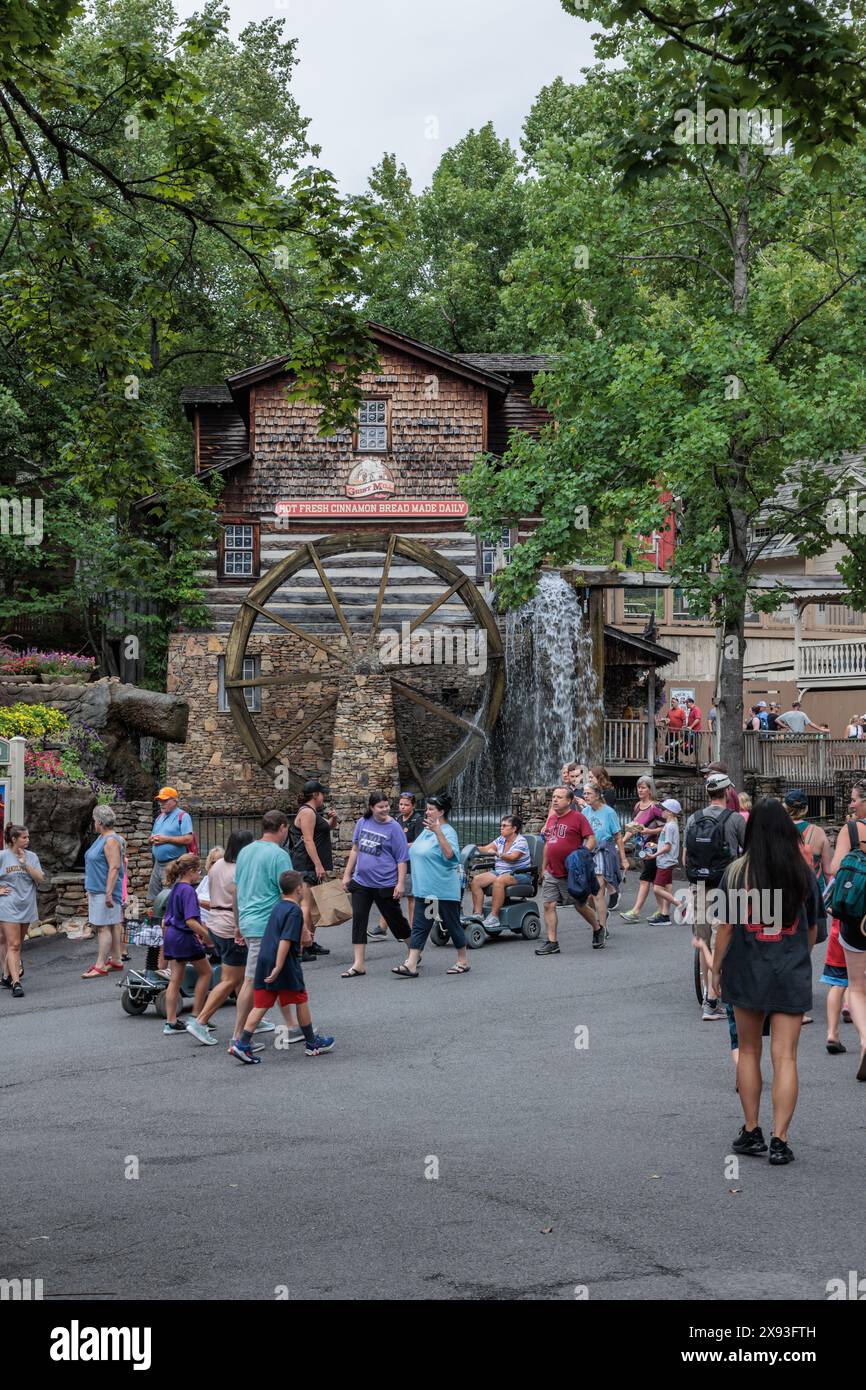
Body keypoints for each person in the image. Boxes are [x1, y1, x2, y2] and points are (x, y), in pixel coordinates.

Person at [711, 797, 820, 1165]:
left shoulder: (736, 872)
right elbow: (813, 929)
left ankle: (752, 1128)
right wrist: (796, 956)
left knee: (750, 1050)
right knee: (786, 1056)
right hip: (788, 971)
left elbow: (724, 927)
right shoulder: (802, 872)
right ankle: (780, 1138)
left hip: (746, 970)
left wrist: (715, 969)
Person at [229, 871, 334, 1064]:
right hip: (283, 962)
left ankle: (242, 1043)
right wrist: (279, 966)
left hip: (264, 959)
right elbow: (285, 939)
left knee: (261, 1004)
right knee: (300, 998)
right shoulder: (294, 911)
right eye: (303, 886)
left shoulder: (277, 907)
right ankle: (312, 1043)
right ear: (299, 889)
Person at [185, 830, 272, 1046]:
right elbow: (238, 900)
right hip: (231, 925)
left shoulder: (217, 866)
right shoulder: (240, 869)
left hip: (215, 922)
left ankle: (252, 1019)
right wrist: (239, 927)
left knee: (241, 977)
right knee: (232, 979)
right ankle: (201, 1020)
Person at [229, 810, 295, 1055]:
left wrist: (237, 923)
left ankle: (293, 1025)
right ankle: (238, 1036)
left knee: (281, 973)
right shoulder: (279, 855)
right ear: (282, 827)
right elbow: (288, 894)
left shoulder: (245, 852)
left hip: (248, 920)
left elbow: (235, 890)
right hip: (267, 924)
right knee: (251, 979)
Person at [684, 773, 747, 1020]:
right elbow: (747, 855)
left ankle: (705, 991)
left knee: (702, 941)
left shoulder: (693, 819)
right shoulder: (735, 820)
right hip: (725, 887)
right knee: (717, 944)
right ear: (727, 792)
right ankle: (711, 1002)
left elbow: (685, 858)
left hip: (698, 886)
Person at [393, 794, 466, 977]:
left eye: (431, 809)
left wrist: (438, 831)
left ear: (441, 812)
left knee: (452, 924)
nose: (427, 812)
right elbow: (414, 850)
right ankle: (411, 964)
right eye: (427, 808)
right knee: (421, 925)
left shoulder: (448, 831)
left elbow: (451, 855)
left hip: (443, 891)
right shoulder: (426, 831)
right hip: (426, 892)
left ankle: (463, 960)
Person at [341, 791, 411, 978]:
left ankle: (414, 951)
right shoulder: (363, 823)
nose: (385, 809)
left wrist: (400, 884)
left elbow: (402, 859)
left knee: (396, 921)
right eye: (380, 807)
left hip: (385, 883)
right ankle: (358, 964)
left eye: (387, 805)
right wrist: (347, 874)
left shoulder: (394, 828)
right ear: (371, 808)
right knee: (359, 919)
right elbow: (355, 849)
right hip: (362, 882)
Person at [828, 778, 866, 1082]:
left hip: (858, 915)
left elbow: (835, 869)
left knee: (856, 987)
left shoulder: (851, 830)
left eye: (854, 799)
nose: (851, 804)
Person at [534, 785, 598, 956]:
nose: (555, 800)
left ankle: (597, 928)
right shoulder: (552, 819)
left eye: (559, 797)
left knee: (579, 905)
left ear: (569, 801)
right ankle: (552, 942)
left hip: (571, 872)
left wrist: (583, 854)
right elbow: (549, 844)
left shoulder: (578, 818)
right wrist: (543, 867)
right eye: (554, 796)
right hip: (552, 871)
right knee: (548, 904)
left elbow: (591, 839)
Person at [160, 854, 213, 1035]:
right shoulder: (189, 890)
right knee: (206, 972)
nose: (199, 874)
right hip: (185, 937)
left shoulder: (176, 888)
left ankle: (171, 1022)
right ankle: (197, 1016)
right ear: (190, 871)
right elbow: (190, 921)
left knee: (175, 980)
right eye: (198, 870)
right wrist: (208, 936)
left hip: (172, 936)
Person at [290, 779, 336, 960]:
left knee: (314, 906)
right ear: (316, 795)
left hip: (312, 865)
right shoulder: (307, 813)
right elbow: (308, 840)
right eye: (322, 793)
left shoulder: (314, 812)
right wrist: (318, 864)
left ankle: (310, 941)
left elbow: (326, 827)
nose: (324, 796)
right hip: (306, 865)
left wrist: (334, 819)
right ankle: (303, 945)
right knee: (306, 905)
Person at [81, 805, 126, 980]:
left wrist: (108, 893)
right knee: (112, 924)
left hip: (104, 891)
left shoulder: (111, 841)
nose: (94, 823)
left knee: (102, 928)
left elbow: (114, 867)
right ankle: (116, 960)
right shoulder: (103, 838)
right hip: (98, 889)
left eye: (94, 820)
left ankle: (100, 965)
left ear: (99, 822)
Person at [371, 791, 424, 939]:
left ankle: (413, 929)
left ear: (413, 805)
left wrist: (402, 845)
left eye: (406, 805)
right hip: (395, 864)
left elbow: (420, 842)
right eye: (401, 804)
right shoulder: (397, 819)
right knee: (391, 896)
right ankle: (383, 927)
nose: (402, 807)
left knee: (410, 897)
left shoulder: (418, 820)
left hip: (410, 863)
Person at [0, 824, 44, 997]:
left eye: (28, 837)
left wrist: (26, 865)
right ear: (14, 839)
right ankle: (16, 982)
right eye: (24, 837)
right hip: (8, 905)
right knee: (14, 945)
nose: (28, 840)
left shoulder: (32, 857)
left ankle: (5, 975)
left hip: (26, 905)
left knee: (18, 943)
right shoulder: (3, 856)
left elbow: (40, 879)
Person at [468, 814, 532, 928]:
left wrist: (498, 854)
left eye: (504, 826)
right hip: (500, 872)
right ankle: (478, 914)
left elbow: (513, 857)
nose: (501, 828)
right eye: (501, 826)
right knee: (476, 881)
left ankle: (494, 917)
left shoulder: (521, 841)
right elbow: (486, 848)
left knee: (499, 881)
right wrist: (471, 848)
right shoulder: (501, 839)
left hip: (519, 874)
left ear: (514, 829)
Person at [581, 784, 627, 934]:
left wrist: (623, 858)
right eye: (584, 793)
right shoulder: (584, 811)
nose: (585, 796)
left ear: (597, 795)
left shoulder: (609, 812)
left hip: (603, 851)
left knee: (598, 891)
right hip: (587, 851)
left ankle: (602, 928)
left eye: (588, 793)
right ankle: (603, 914)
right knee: (588, 896)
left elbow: (618, 837)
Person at [619, 776, 666, 923]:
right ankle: (662, 911)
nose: (640, 790)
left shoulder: (656, 808)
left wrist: (648, 832)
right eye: (639, 787)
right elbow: (633, 826)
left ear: (650, 789)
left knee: (645, 879)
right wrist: (622, 841)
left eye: (643, 787)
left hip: (654, 847)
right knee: (654, 882)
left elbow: (665, 827)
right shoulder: (638, 806)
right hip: (641, 847)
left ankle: (636, 911)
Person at [147, 787, 194, 902]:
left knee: (169, 899)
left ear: (174, 801)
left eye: (165, 801)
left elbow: (189, 839)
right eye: (160, 801)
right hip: (158, 864)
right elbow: (152, 836)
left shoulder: (183, 816)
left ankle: (168, 920)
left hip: (172, 864)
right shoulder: (159, 817)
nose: (161, 804)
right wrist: (151, 839)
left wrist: (166, 839)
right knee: (155, 899)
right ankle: (157, 920)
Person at [643, 799, 682, 924]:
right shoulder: (670, 824)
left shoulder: (670, 826)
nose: (661, 811)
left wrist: (654, 855)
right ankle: (664, 915)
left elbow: (667, 847)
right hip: (666, 860)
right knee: (666, 886)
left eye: (663, 809)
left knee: (657, 888)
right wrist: (655, 847)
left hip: (665, 861)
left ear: (670, 812)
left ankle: (680, 905)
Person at [821, 917, 850, 1055]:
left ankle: (832, 1033)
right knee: (858, 982)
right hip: (861, 932)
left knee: (837, 983)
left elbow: (826, 903)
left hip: (839, 932)